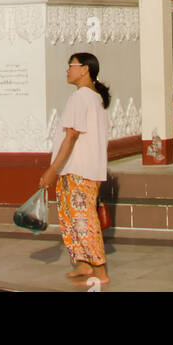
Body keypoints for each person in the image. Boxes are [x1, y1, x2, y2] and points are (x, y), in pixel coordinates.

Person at [39, 51, 110, 285]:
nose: (68, 70)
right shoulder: (93, 97)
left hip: (78, 169)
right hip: (84, 169)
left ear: (85, 69)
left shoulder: (81, 97)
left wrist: (52, 170)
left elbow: (71, 137)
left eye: (71, 66)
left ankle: (100, 269)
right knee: (70, 217)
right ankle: (83, 263)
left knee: (83, 219)